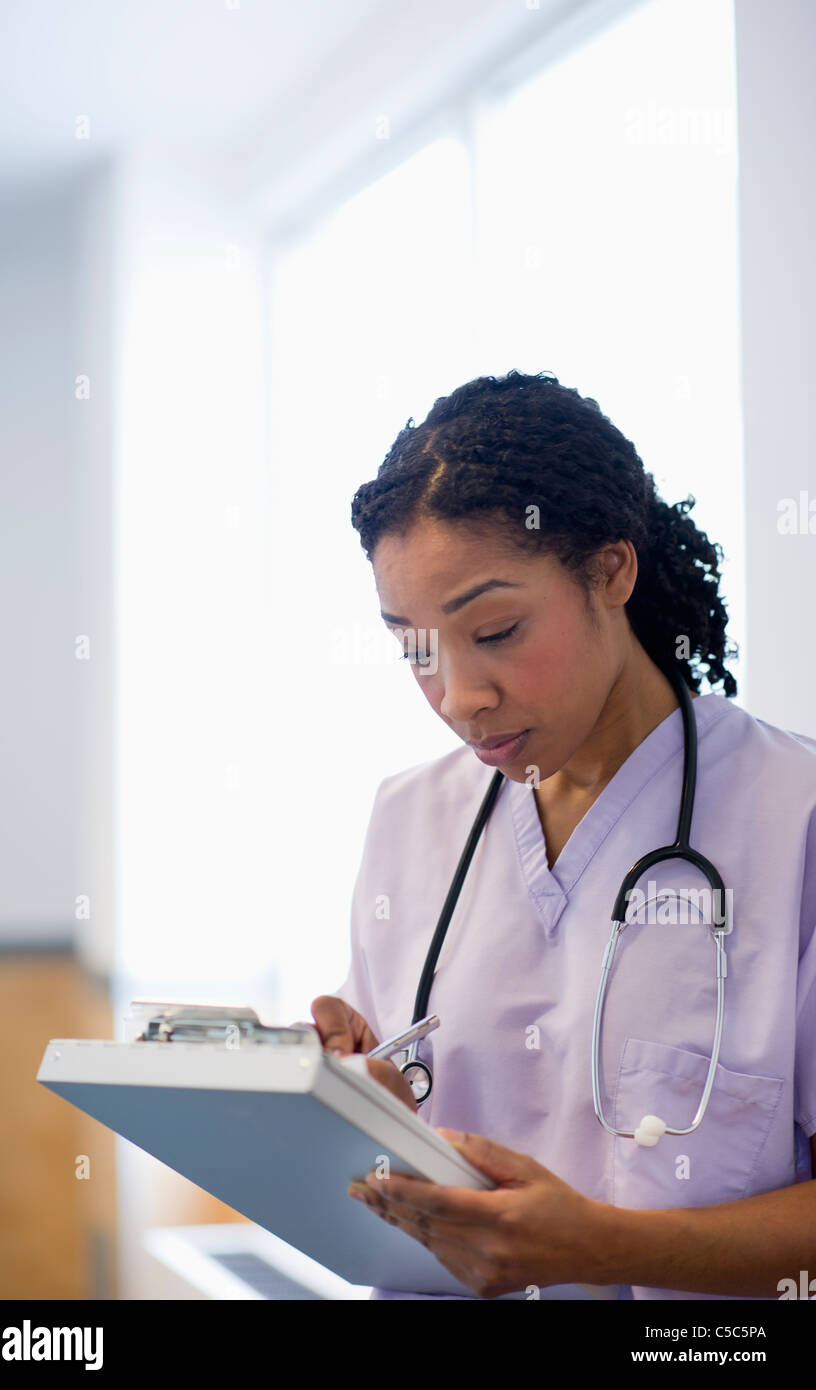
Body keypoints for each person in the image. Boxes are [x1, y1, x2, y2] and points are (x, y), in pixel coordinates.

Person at [310, 369, 816, 1301]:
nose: (460, 698)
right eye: (414, 649)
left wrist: (604, 1248)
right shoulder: (409, 822)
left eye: (495, 630)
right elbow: (392, 1139)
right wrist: (346, 1101)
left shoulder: (796, 820)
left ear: (611, 571)